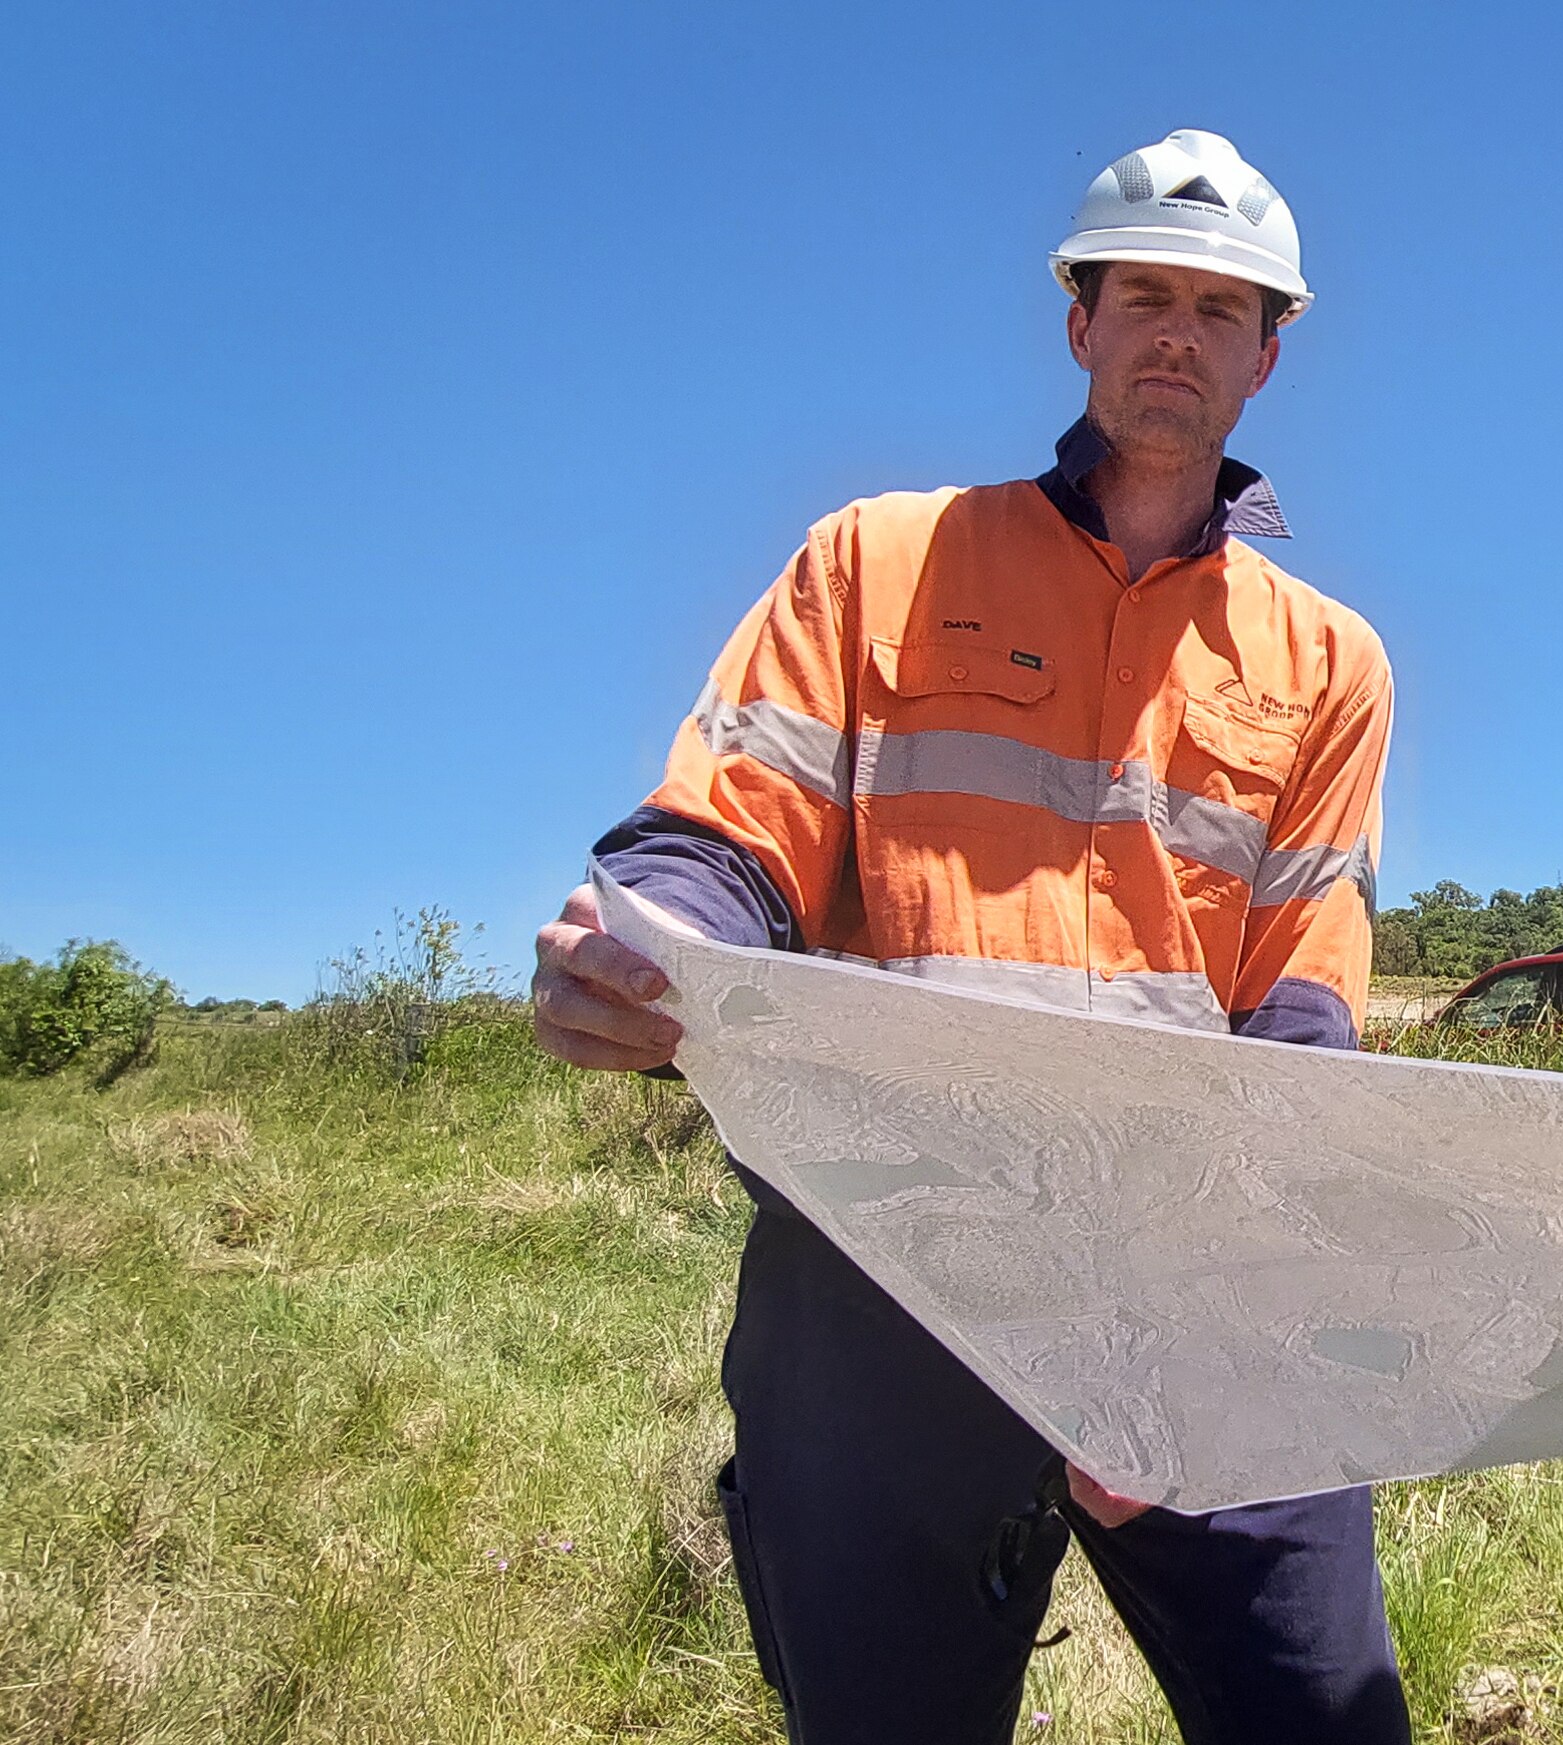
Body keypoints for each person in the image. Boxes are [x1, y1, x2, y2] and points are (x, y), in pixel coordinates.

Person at [528, 129, 1409, 1745]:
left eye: (1220, 310)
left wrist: (1209, 1305)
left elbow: (1302, 999)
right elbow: (729, 833)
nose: (1177, 335)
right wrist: (649, 953)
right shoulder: (877, 561)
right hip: (889, 1261)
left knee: (1325, 1716)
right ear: (1079, 323)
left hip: (1193, 1267)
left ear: (1268, 357)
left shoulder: (1329, 663)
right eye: (1144, 297)